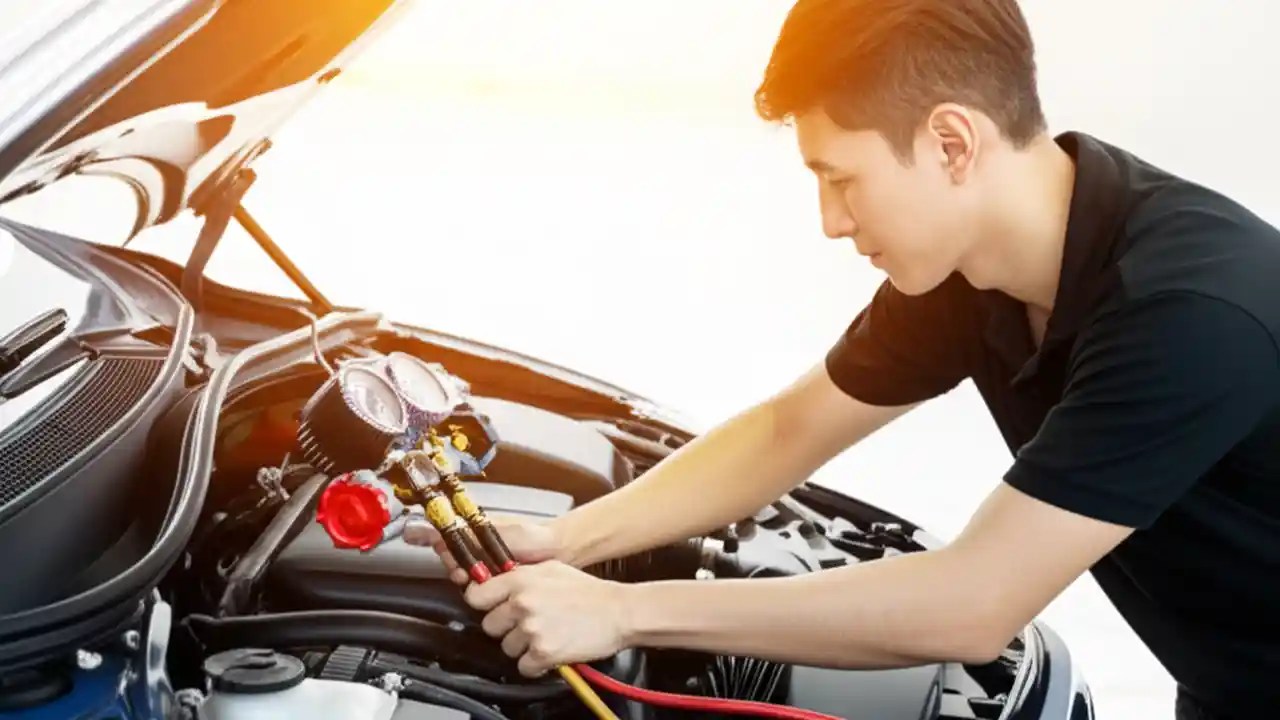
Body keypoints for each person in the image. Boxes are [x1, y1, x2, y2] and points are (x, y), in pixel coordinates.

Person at [405, 1, 1280, 717]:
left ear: (951, 143)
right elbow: (791, 428)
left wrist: (623, 610)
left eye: (843, 178)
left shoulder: (1187, 312)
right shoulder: (972, 273)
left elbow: (974, 604)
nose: (830, 220)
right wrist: (566, 542)